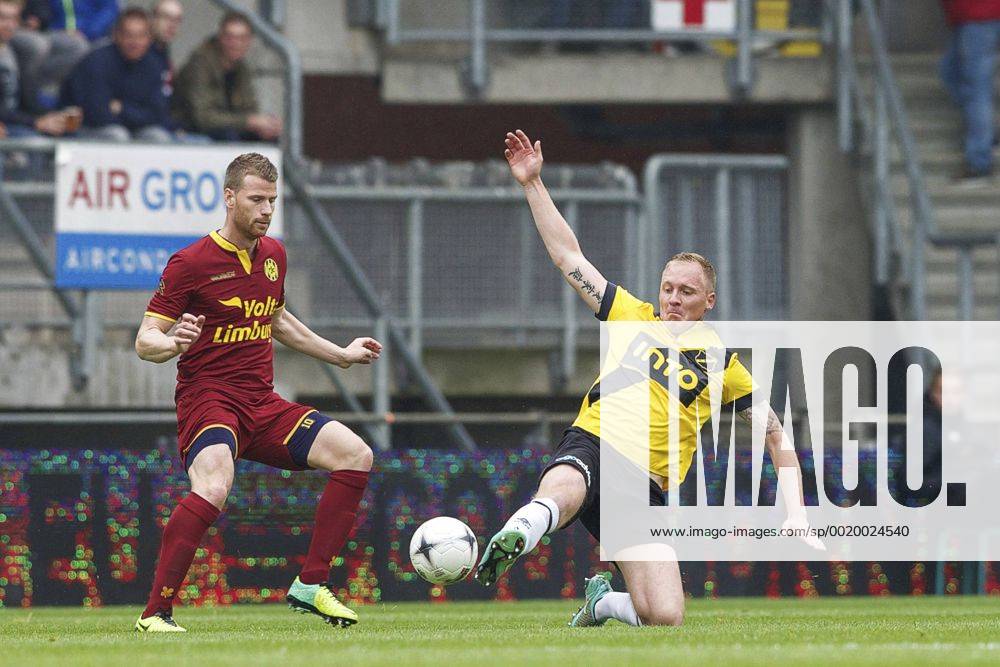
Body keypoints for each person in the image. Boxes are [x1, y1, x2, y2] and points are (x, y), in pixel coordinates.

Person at [474, 130, 822, 627]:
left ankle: (601, 603)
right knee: (568, 483)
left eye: (687, 291)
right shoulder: (630, 315)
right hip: (597, 441)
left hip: (644, 487)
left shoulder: (723, 365)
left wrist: (797, 512)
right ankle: (522, 531)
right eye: (667, 288)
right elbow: (568, 257)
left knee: (664, 616)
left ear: (709, 303)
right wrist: (533, 183)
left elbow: (773, 431)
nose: (673, 298)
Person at [133, 153, 383, 633]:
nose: (267, 209)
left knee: (356, 454)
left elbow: (277, 320)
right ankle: (155, 613)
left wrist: (342, 356)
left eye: (272, 200)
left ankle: (311, 585)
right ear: (229, 198)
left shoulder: (274, 255)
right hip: (209, 401)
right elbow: (145, 339)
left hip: (262, 403)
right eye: (256, 199)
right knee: (213, 487)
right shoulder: (190, 263)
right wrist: (172, 343)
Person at [60, 7, 174, 142]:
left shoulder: (155, 64)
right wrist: (135, 113)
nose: (135, 42)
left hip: (132, 128)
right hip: (83, 128)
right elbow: (98, 114)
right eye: (128, 35)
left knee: (159, 137)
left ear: (149, 38)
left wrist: (122, 108)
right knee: (118, 136)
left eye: (141, 36)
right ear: (116, 35)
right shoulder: (97, 61)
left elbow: (158, 114)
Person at [173, 11, 282, 142]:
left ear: (249, 41)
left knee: (269, 137)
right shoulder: (200, 64)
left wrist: (264, 125)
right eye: (230, 37)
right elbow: (203, 118)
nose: (235, 44)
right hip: (189, 130)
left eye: (242, 38)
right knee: (229, 136)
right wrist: (250, 121)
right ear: (221, 37)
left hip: (226, 129)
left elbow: (249, 109)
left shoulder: (241, 68)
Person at [939, 0, 1000, 185]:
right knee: (950, 72)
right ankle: (986, 134)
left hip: (979, 15)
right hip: (970, 15)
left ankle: (979, 163)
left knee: (975, 87)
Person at [0, 0, 77, 138]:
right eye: (3, 18)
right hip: (9, 126)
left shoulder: (17, 53)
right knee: (35, 141)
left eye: (14, 18)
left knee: (70, 135)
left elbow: (28, 101)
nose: (9, 25)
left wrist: (53, 115)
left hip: (17, 122)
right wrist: (35, 122)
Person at [8, 0, 88, 109]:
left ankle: (35, 87)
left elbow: (43, 9)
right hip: (14, 27)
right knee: (37, 44)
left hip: (39, 29)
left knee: (78, 45)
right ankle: (27, 98)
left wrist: (38, 18)